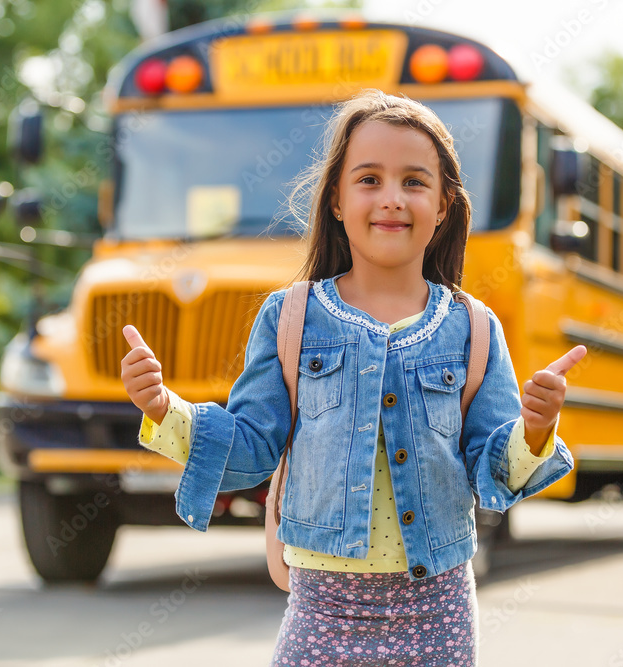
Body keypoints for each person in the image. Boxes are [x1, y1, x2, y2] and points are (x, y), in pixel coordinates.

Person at [120, 89, 586, 666]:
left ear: (443, 206)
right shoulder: (289, 318)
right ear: (336, 199)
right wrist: (166, 408)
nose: (392, 198)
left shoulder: (474, 328)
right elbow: (251, 448)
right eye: (369, 179)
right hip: (321, 611)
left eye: (414, 181)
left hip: (437, 613)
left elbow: (491, 469)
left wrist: (536, 429)